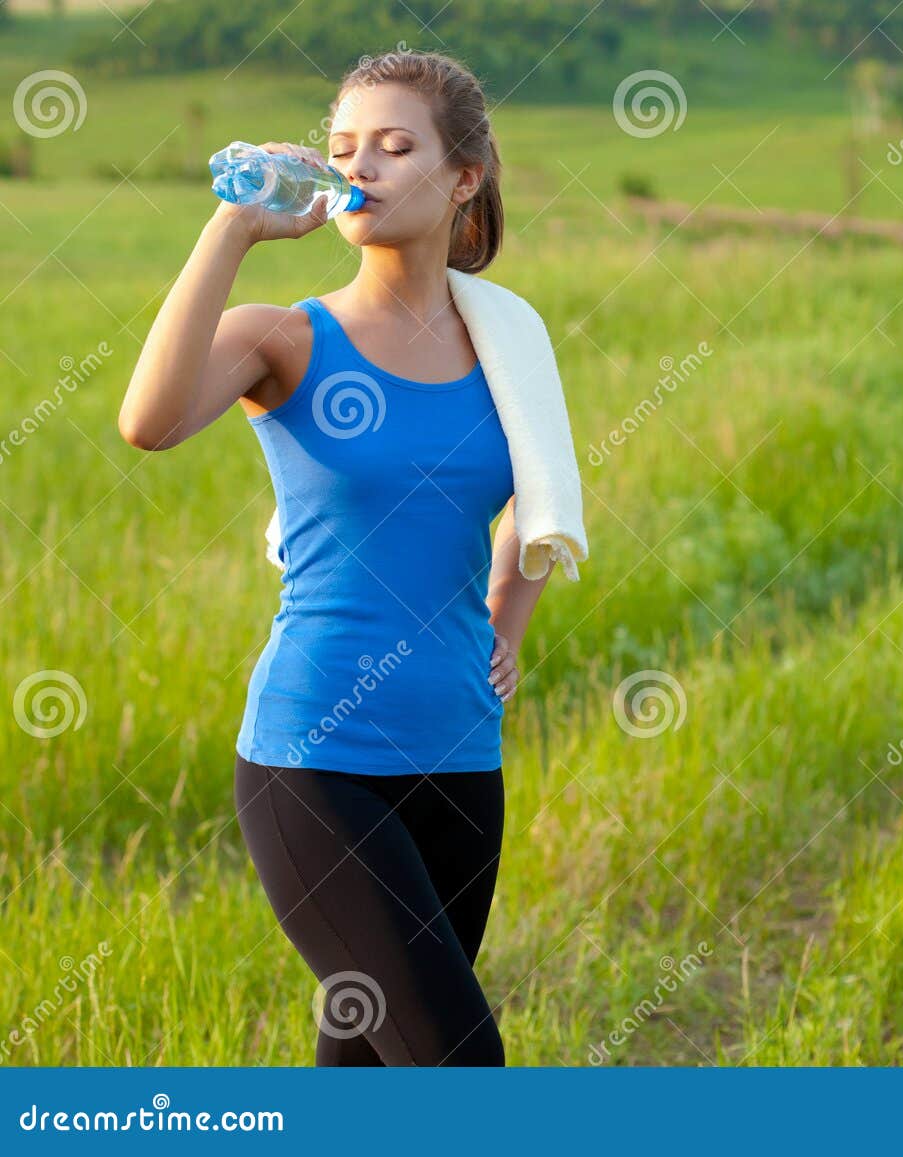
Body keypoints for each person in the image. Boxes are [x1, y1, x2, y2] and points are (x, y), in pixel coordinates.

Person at [117, 49, 549, 1066]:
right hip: (315, 756)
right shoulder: (288, 340)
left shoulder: (508, 343)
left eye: (397, 147)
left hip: (459, 752)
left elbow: (545, 490)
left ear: (464, 177)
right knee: (459, 1062)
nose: (364, 166)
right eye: (346, 146)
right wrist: (234, 227)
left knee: (365, 1064)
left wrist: (507, 618)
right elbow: (149, 420)